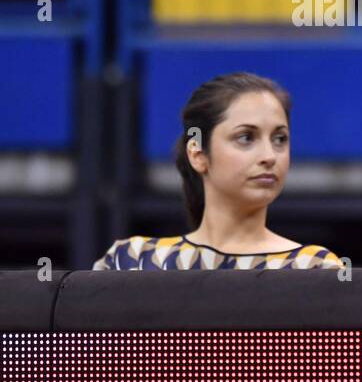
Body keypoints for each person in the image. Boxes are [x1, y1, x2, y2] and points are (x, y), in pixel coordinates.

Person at [94, 72, 343, 270]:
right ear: (198, 154)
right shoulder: (132, 261)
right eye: (246, 137)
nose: (269, 156)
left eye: (280, 139)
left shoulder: (313, 268)